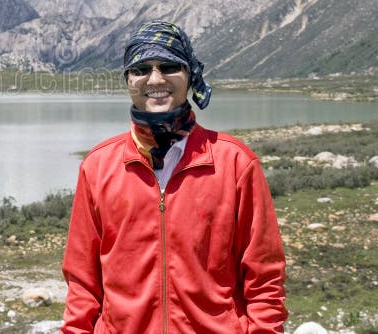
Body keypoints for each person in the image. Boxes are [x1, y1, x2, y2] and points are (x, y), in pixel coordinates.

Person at [62, 20, 287, 333]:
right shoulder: (97, 167)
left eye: (169, 67)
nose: (155, 79)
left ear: (189, 74)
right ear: (128, 80)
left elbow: (265, 279)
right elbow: (82, 283)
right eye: (141, 69)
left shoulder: (235, 163)